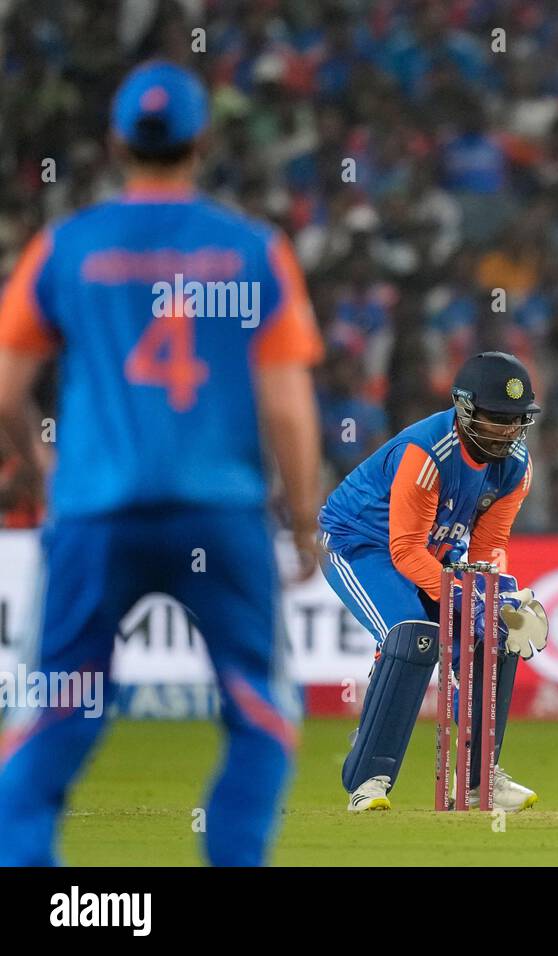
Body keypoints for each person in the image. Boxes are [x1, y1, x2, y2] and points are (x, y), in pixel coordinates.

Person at [0, 61, 323, 865]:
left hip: (95, 514)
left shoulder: (64, 246)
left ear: (116, 142)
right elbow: (286, 405)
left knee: (58, 711)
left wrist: (46, 464)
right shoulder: (252, 250)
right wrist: (306, 516)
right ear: (204, 141)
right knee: (261, 711)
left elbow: (5, 385)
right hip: (218, 511)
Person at [319, 351, 549, 812]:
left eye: (515, 421)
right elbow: (404, 550)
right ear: (465, 409)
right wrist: (471, 599)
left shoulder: (516, 468)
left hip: (436, 552)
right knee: (413, 638)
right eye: (495, 418)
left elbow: (486, 551)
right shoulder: (427, 452)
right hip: (359, 545)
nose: (506, 431)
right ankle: (369, 781)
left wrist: (496, 603)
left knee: (497, 637)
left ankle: (479, 777)